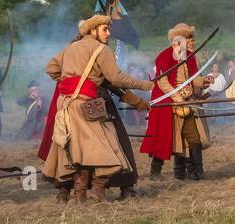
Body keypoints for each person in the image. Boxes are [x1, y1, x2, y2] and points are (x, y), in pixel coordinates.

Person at [39, 15, 155, 203]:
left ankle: (79, 195)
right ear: (93, 31)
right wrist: (145, 85)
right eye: (105, 29)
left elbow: (52, 68)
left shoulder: (70, 48)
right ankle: (97, 192)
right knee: (108, 147)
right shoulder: (101, 49)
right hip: (87, 103)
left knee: (75, 151)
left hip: (67, 103)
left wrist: (71, 81)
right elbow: (116, 78)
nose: (109, 33)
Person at [144, 24, 216, 180]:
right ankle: (156, 172)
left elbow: (193, 78)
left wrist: (204, 81)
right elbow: (163, 83)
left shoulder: (189, 56)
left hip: (186, 103)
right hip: (169, 104)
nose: (190, 41)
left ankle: (198, 173)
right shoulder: (163, 56)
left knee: (194, 138)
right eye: (187, 38)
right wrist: (177, 99)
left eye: (189, 38)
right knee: (164, 137)